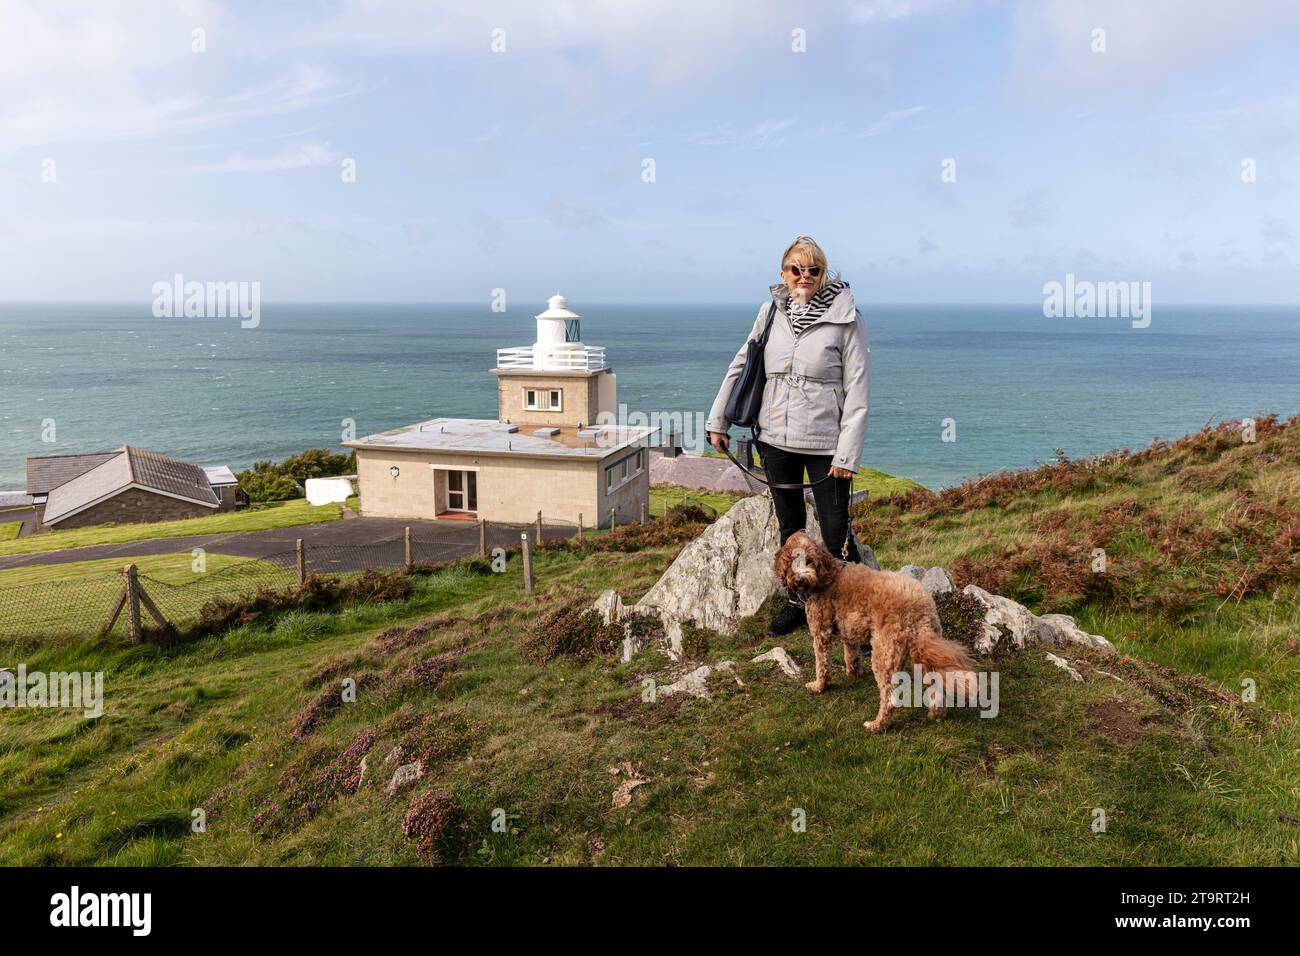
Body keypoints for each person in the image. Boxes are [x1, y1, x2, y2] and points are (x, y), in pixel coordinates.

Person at [705, 235, 870, 636]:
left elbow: (859, 390)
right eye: (797, 269)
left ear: (823, 274)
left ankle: (857, 614)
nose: (805, 276)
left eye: (814, 269)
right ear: (784, 274)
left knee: (836, 535)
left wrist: (846, 455)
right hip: (774, 438)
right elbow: (741, 364)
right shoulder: (770, 312)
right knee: (791, 528)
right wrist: (718, 420)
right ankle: (800, 604)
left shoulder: (847, 318)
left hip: (825, 445)